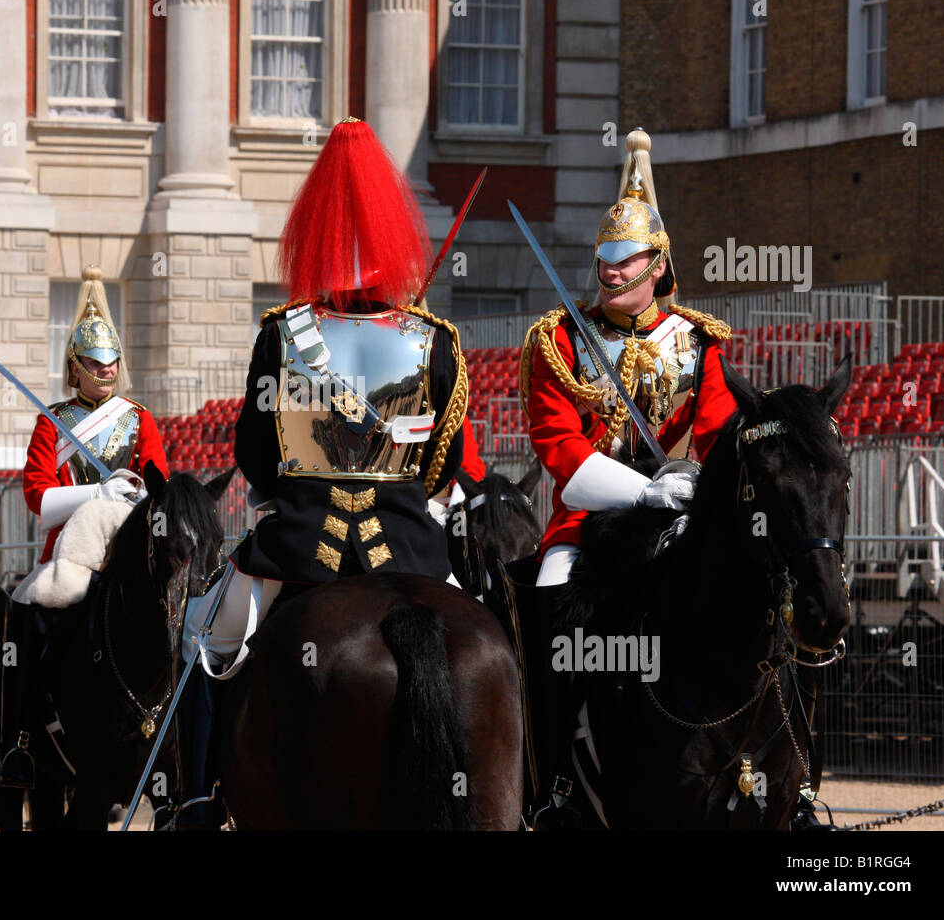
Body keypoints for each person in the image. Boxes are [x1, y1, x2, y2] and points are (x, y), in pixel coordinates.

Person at [174, 117, 468, 823]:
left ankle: (199, 797)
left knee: (203, 640)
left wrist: (298, 487)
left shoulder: (283, 334)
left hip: (301, 547)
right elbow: (443, 465)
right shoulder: (434, 339)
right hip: (411, 548)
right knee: (489, 643)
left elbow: (254, 453)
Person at [518, 129, 736, 826]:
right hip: (590, 518)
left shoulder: (699, 342)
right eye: (603, 259)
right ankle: (553, 779)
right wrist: (642, 489)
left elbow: (719, 436)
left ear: (658, 263)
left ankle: (776, 766)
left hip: (682, 515)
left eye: (625, 260)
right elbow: (559, 449)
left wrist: (691, 486)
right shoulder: (559, 339)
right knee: (550, 599)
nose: (609, 272)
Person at [0, 265, 168, 789]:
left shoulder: (139, 419)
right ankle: (19, 740)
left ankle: (172, 748)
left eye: (112, 361)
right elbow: (38, 497)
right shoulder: (52, 420)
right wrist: (96, 492)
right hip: (67, 558)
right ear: (74, 368)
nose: (106, 370)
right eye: (94, 363)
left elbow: (160, 484)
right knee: (22, 620)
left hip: (128, 554)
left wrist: (133, 493)